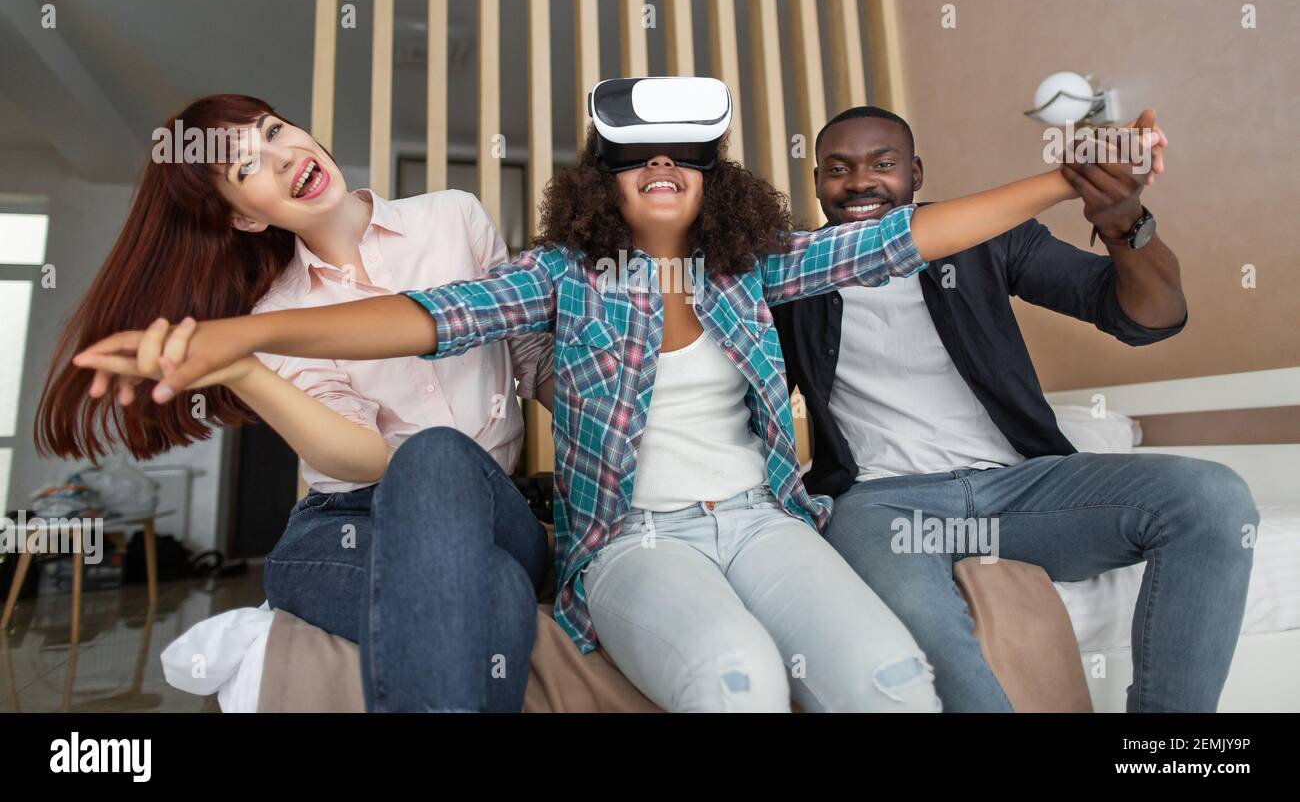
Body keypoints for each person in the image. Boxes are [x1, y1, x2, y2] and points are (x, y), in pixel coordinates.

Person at [75, 76, 1088, 713]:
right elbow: (424, 327)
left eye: (682, 152)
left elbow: (900, 237)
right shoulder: (556, 276)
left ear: (712, 177)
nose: (659, 165)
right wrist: (242, 343)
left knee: (888, 678)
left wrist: (1061, 179)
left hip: (704, 516)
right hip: (489, 521)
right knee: (718, 669)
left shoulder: (751, 267)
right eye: (634, 155)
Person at [38, 94, 553, 711]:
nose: (283, 158)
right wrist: (242, 370)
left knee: (442, 461)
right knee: (491, 592)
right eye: (246, 168)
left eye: (274, 131)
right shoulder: (275, 314)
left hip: (491, 509)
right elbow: (367, 459)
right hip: (346, 525)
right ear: (244, 220)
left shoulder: (453, 218)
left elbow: (534, 362)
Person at [772, 105, 1259, 712]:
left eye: (883, 164)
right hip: (883, 502)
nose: (859, 182)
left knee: (1212, 496)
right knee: (924, 629)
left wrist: (1124, 221)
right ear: (817, 182)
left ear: (916, 174)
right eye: (837, 169)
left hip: (1023, 491)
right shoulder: (793, 275)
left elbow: (1146, 318)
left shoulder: (985, 238)